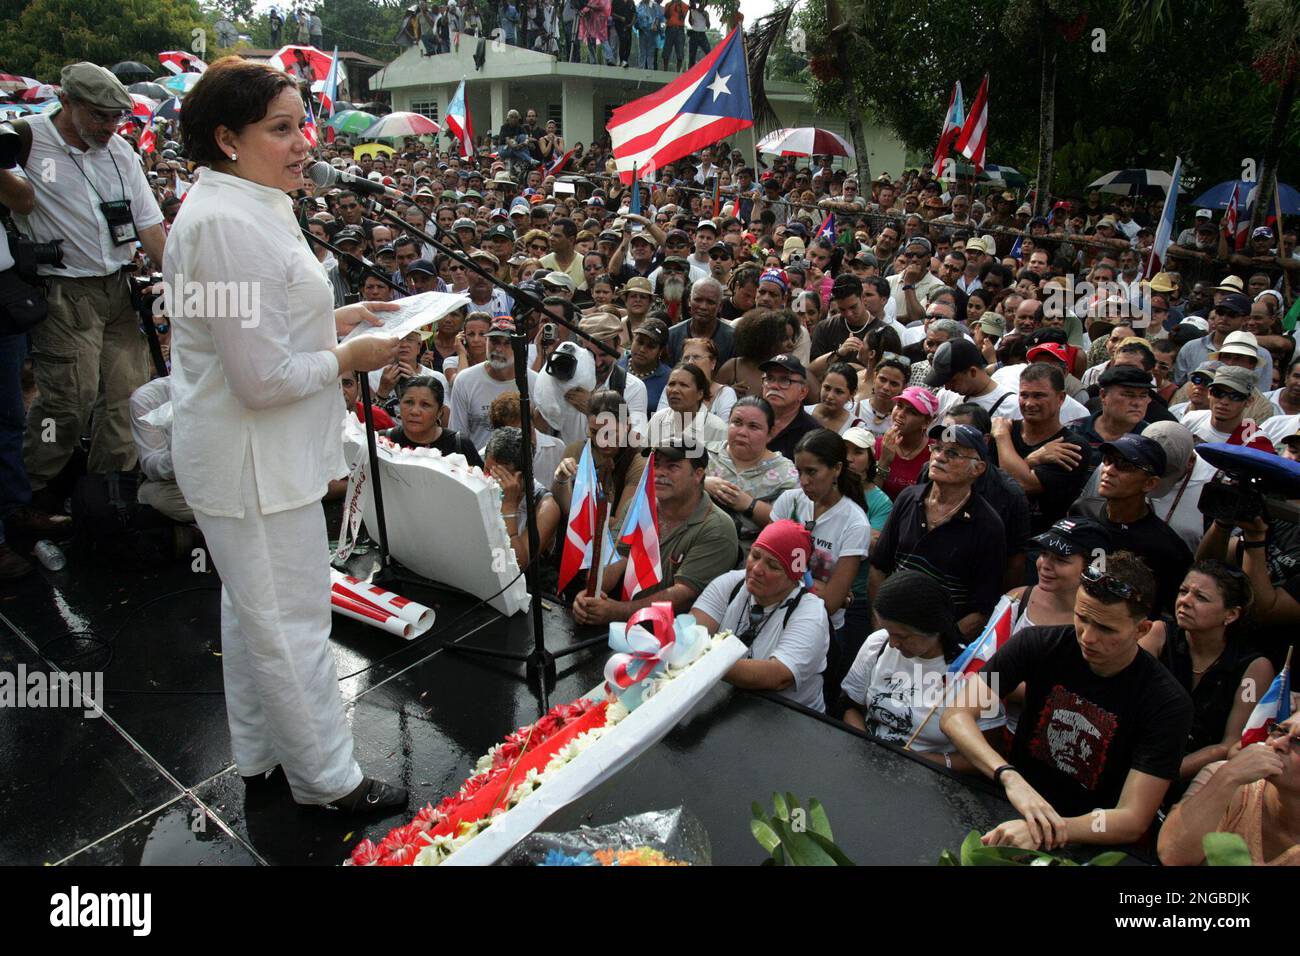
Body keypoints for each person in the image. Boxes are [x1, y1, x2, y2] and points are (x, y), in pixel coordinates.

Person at [167, 59, 406, 812]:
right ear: (227, 138)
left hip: (257, 459)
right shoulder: (225, 223)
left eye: (301, 123)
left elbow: (255, 329)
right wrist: (349, 359)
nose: (304, 142)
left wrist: (342, 320)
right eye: (281, 128)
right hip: (250, 463)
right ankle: (329, 782)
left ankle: (262, 753)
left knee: (253, 615)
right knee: (293, 625)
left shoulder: (248, 201)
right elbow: (259, 378)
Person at [940, 551, 1194, 850]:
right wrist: (1007, 776)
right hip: (1011, 808)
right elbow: (956, 715)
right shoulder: (1036, 644)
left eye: (1106, 628)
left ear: (1142, 630)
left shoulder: (1166, 702)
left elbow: (1131, 819)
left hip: (1091, 839)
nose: (1088, 636)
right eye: (1082, 618)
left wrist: (1046, 829)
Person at [13, 64, 168, 529]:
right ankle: (33, 491)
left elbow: (148, 227)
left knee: (128, 394)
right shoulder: (25, 141)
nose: (109, 127)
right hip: (62, 291)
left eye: (116, 117)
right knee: (68, 399)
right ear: (69, 103)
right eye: (99, 116)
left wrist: (182, 283)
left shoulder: (120, 151)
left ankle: (106, 492)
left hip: (118, 288)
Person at [841, 571, 1005, 761]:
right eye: (888, 631)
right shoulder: (878, 644)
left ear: (934, 630)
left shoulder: (975, 673)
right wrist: (868, 745)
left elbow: (988, 755)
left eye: (902, 636)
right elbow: (849, 705)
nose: (893, 643)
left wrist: (924, 760)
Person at [574, 437, 739, 625]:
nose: (660, 473)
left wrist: (616, 611)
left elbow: (683, 595)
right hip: (624, 626)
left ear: (698, 475)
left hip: (673, 636)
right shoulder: (638, 505)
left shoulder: (717, 528)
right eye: (656, 464)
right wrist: (592, 595)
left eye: (672, 467)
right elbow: (617, 557)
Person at [1140, 561, 1274, 785]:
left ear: (1231, 614)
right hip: (1143, 750)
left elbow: (1229, 745)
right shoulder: (1158, 634)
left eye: (1200, 597)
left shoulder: (1254, 668)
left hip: (1200, 776)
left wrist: (1159, 774)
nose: (1185, 601)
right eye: (1184, 591)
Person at [870, 423, 1006, 638]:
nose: (940, 457)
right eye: (937, 448)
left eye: (952, 453)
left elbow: (981, 610)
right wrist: (882, 627)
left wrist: (938, 647)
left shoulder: (987, 526)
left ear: (978, 468)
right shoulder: (908, 498)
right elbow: (879, 568)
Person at [689, 519, 829, 710]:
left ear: (793, 576)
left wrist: (704, 661)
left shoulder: (811, 614)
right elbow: (692, 635)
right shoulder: (731, 583)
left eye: (773, 566)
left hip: (787, 718)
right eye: (755, 556)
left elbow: (778, 676)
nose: (756, 569)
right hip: (727, 701)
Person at [1069, 434, 1192, 614]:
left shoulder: (1168, 548)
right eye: (1108, 460)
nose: (1108, 470)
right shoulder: (1082, 510)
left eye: (1124, 465)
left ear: (1150, 483)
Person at [1158, 713, 1300, 866]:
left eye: (1298, 742)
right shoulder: (1230, 778)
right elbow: (1172, 855)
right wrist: (1228, 777)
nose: (1277, 743)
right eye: (1280, 730)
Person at [991, 362, 1093, 536]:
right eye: (1024, 395)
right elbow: (988, 486)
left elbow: (1020, 486)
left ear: (1061, 398)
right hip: (996, 534)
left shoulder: (1072, 446)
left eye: (1039, 396)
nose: (1029, 403)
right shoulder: (1006, 431)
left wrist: (1001, 438)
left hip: (1041, 543)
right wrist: (1033, 459)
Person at [703, 396, 799, 547]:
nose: (742, 432)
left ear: (770, 433)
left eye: (753, 427)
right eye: (737, 423)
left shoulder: (786, 473)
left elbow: (790, 525)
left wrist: (748, 504)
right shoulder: (704, 454)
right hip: (697, 540)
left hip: (754, 553)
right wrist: (702, 482)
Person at [449, 317, 538, 448]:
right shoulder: (465, 380)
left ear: (519, 347)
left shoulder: (534, 382)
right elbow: (458, 435)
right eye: (494, 341)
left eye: (507, 343)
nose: (499, 349)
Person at [484, 425, 562, 576]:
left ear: (519, 477)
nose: (489, 480)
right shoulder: (481, 485)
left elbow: (518, 565)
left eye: (499, 475)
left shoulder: (546, 508)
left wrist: (508, 507)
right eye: (487, 470)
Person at [382, 375, 484, 467]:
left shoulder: (459, 445)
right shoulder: (382, 441)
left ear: (440, 412)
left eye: (425, 405)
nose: (415, 411)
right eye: (409, 402)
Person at [645, 362, 728, 449]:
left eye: (683, 385)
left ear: (700, 393)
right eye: (671, 384)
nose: (674, 390)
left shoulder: (718, 429)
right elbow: (643, 457)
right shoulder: (658, 419)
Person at [874, 384, 936, 499]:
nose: (901, 414)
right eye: (899, 406)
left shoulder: (935, 454)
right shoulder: (876, 445)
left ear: (926, 422)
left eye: (912, 412)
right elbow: (869, 498)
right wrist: (884, 461)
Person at [760, 353, 820, 460]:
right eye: (769, 378)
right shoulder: (750, 418)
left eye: (784, 380)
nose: (774, 386)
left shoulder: (812, 434)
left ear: (803, 392)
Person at [806, 362, 864, 435]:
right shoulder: (802, 412)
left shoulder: (857, 428)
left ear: (852, 394)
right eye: (827, 388)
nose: (830, 396)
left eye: (839, 392)